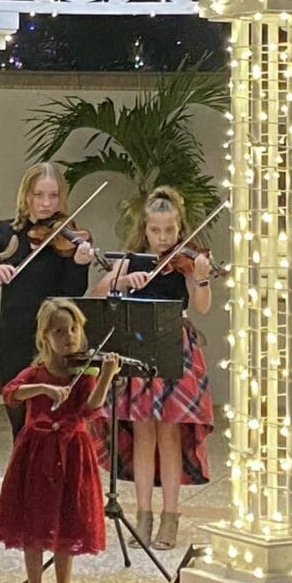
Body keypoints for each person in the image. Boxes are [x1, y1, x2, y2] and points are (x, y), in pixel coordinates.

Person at [87, 186, 214, 550]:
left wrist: (202, 277)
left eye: (169, 231)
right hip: (139, 344)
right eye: (155, 231)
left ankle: (170, 517)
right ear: (145, 229)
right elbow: (98, 292)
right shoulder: (131, 259)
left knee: (169, 434)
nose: (162, 238)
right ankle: (142, 514)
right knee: (143, 433)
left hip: (176, 344)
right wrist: (123, 281)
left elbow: (202, 305)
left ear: (179, 229)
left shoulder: (186, 260)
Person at [0, 297, 119, 583]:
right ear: (44, 337)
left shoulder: (84, 370)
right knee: (33, 529)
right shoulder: (36, 371)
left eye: (74, 329)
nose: (69, 337)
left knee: (67, 527)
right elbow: (10, 392)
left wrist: (106, 374)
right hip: (36, 454)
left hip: (73, 451)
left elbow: (90, 408)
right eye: (60, 331)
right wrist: (43, 388)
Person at [0, 163, 95, 440]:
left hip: (56, 341)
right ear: (26, 197)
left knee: (58, 422)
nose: (47, 204)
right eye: (39, 195)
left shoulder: (67, 238)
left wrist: (79, 264)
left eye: (53, 196)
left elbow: (74, 292)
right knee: (20, 422)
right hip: (15, 337)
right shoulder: (5, 234)